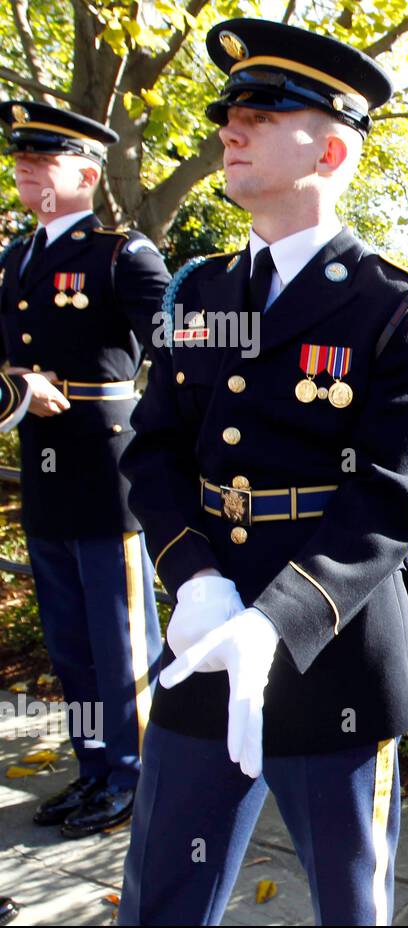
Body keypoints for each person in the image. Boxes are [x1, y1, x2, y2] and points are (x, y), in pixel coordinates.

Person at [115, 18, 408, 926]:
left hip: (328, 645)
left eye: (261, 112)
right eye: (229, 110)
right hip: (207, 634)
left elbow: (391, 497)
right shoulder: (201, 293)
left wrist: (274, 621)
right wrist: (198, 580)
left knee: (350, 902)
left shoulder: (394, 305)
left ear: (333, 147)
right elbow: (155, 449)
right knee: (159, 898)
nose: (230, 126)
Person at [0, 101, 169, 839]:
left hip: (107, 474)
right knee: (70, 641)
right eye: (21, 160)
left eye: (44, 160)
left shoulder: (119, 254)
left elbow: (182, 355)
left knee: (122, 639)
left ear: (87, 174)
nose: (26, 170)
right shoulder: (14, 258)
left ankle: (141, 778)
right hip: (43, 474)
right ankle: (96, 765)